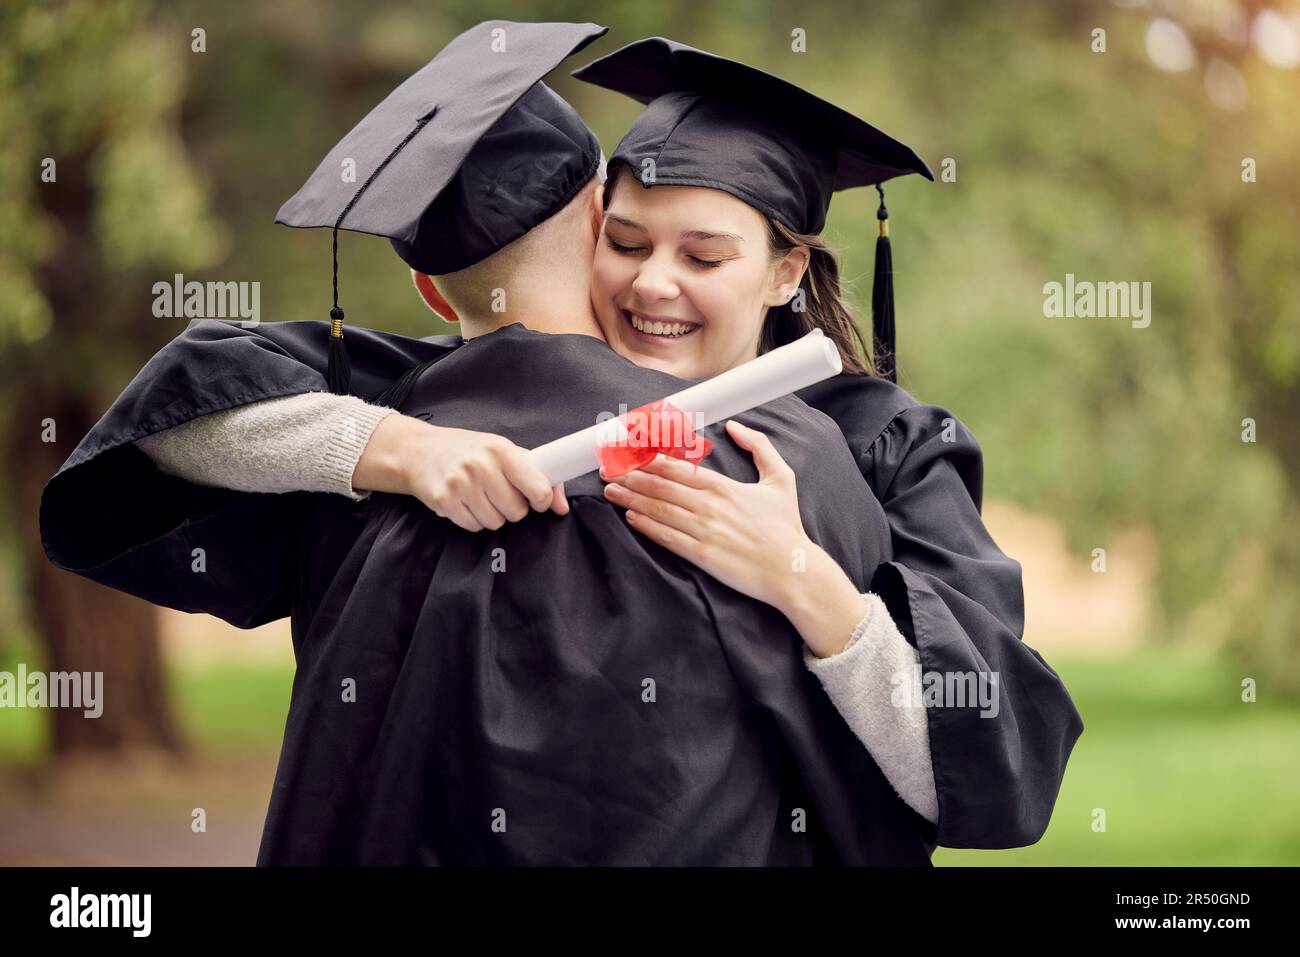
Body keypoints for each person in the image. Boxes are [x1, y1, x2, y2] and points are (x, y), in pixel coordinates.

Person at [40, 26, 1082, 863]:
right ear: (590, 225)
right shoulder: (437, 407)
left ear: (783, 273)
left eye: (702, 255)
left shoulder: (867, 450)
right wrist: (393, 448)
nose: (651, 284)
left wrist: (805, 583)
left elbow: (980, 770)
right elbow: (181, 428)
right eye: (626, 243)